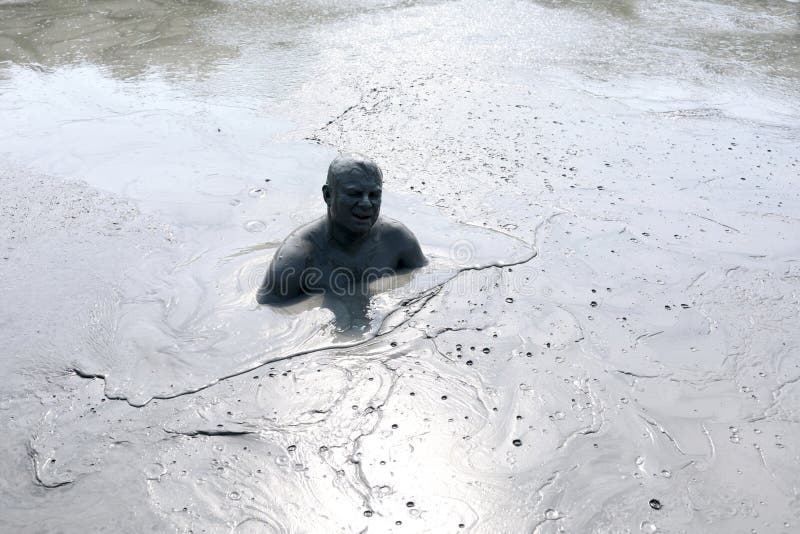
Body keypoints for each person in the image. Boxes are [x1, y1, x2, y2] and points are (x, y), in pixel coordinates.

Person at [256, 154, 427, 304]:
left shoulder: (398, 240)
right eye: (354, 194)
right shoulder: (295, 260)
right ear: (328, 195)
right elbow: (269, 313)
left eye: (374, 195)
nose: (366, 204)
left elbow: (426, 280)